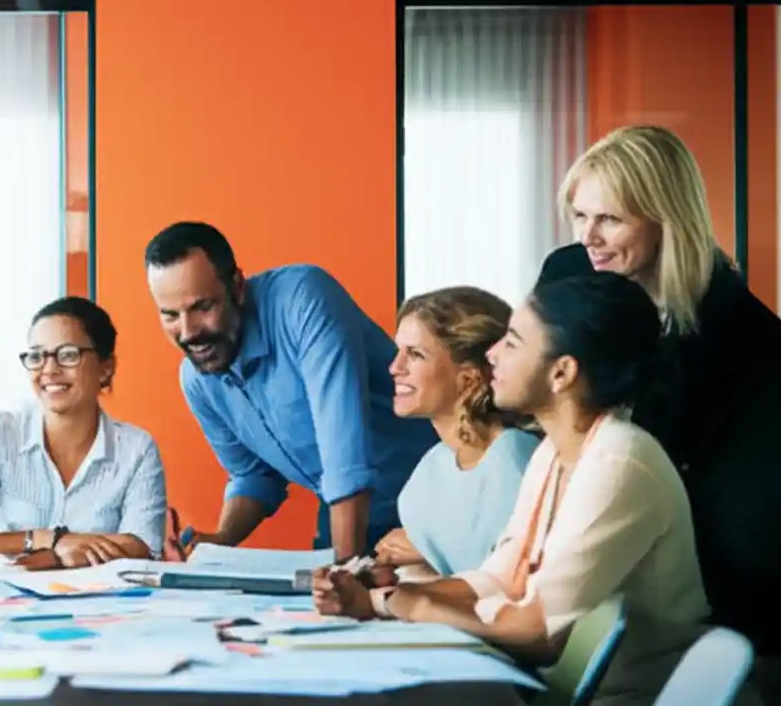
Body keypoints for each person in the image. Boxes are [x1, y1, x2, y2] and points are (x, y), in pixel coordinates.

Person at [312, 272, 709, 705]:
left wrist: (402, 604)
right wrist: (377, 596)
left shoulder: (618, 462)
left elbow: (539, 631)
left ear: (562, 373)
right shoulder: (555, 453)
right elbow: (501, 579)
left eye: (513, 342)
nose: (493, 354)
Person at [535, 125, 781, 661]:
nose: (588, 237)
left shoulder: (745, 338)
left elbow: (743, 527)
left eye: (609, 219)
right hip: (582, 553)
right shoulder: (571, 275)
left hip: (702, 589)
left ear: (666, 219)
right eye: (580, 215)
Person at [145, 221, 437, 561]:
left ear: (237, 287)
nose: (188, 332)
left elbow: (346, 459)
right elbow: (254, 475)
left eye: (202, 307)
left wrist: (345, 576)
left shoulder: (303, 299)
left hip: (430, 500)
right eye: (170, 315)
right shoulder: (197, 378)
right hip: (342, 510)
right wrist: (220, 544)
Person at [0, 297, 166, 574]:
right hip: (9, 601)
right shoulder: (2, 434)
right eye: (36, 356)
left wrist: (58, 558)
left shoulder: (136, 448)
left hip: (100, 607)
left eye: (68, 355)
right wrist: (44, 540)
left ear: (106, 367)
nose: (49, 370)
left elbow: (142, 546)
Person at [378, 287, 539, 577]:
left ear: (468, 379)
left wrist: (427, 551)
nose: (394, 367)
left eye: (415, 354)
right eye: (398, 352)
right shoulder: (432, 465)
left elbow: (515, 578)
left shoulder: (515, 457)